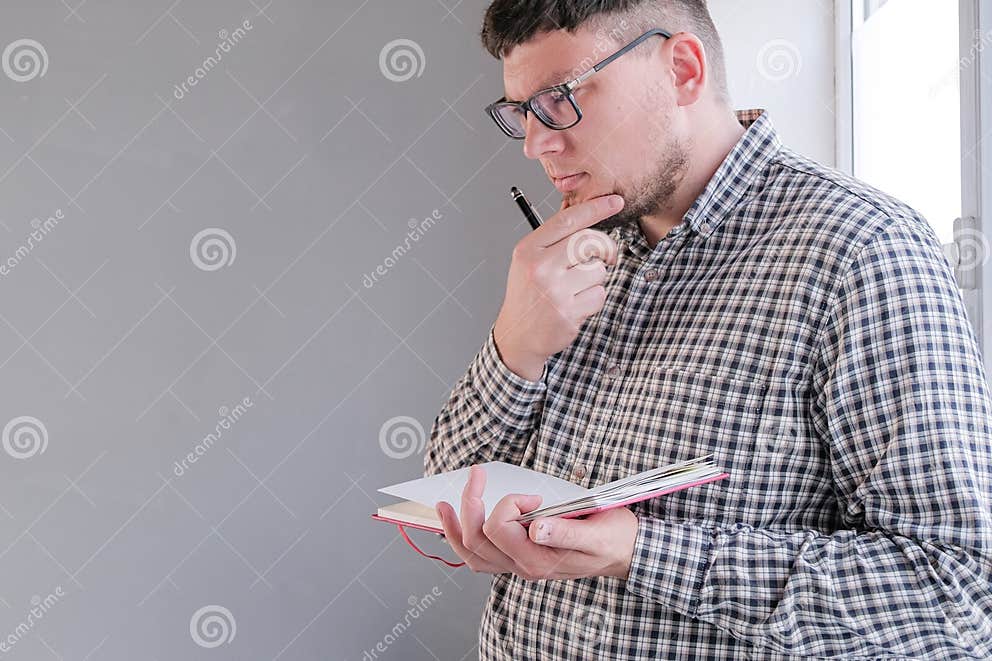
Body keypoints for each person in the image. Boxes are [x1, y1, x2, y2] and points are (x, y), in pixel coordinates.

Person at [423, 1, 992, 658]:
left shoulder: (862, 252)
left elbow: (956, 596)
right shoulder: (573, 258)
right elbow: (447, 486)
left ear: (683, 70)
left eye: (561, 99)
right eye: (522, 111)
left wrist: (641, 552)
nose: (536, 141)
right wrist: (513, 347)